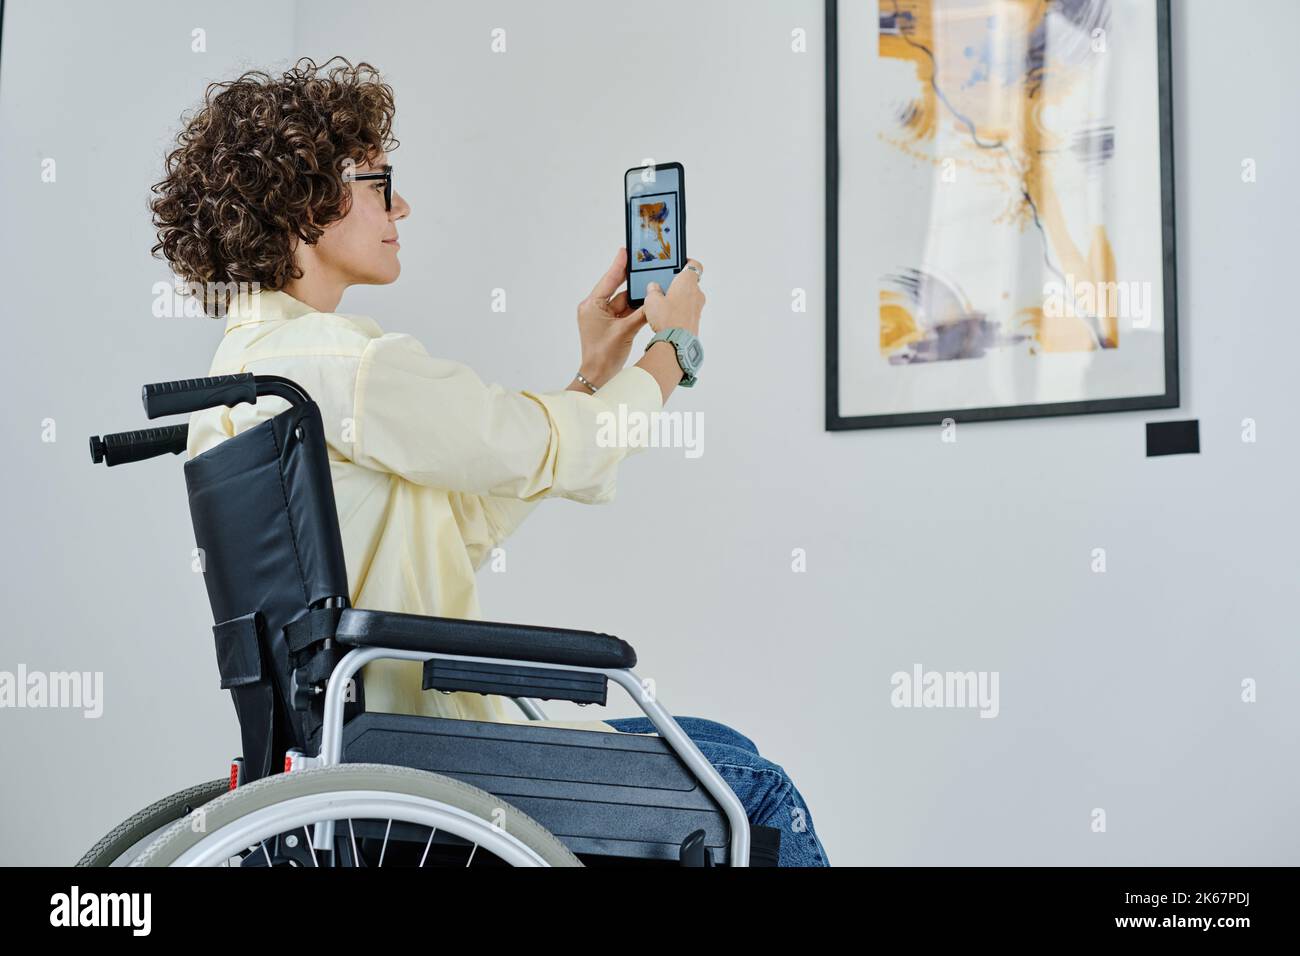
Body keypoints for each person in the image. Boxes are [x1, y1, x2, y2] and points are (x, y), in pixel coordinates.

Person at [150, 56, 828, 866]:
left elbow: (463, 513)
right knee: (753, 791)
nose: (402, 205)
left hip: (348, 742)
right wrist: (672, 354)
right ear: (304, 206)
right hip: (425, 754)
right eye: (377, 184)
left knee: (720, 745)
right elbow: (542, 446)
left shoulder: (244, 377)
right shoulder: (349, 367)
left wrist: (592, 376)